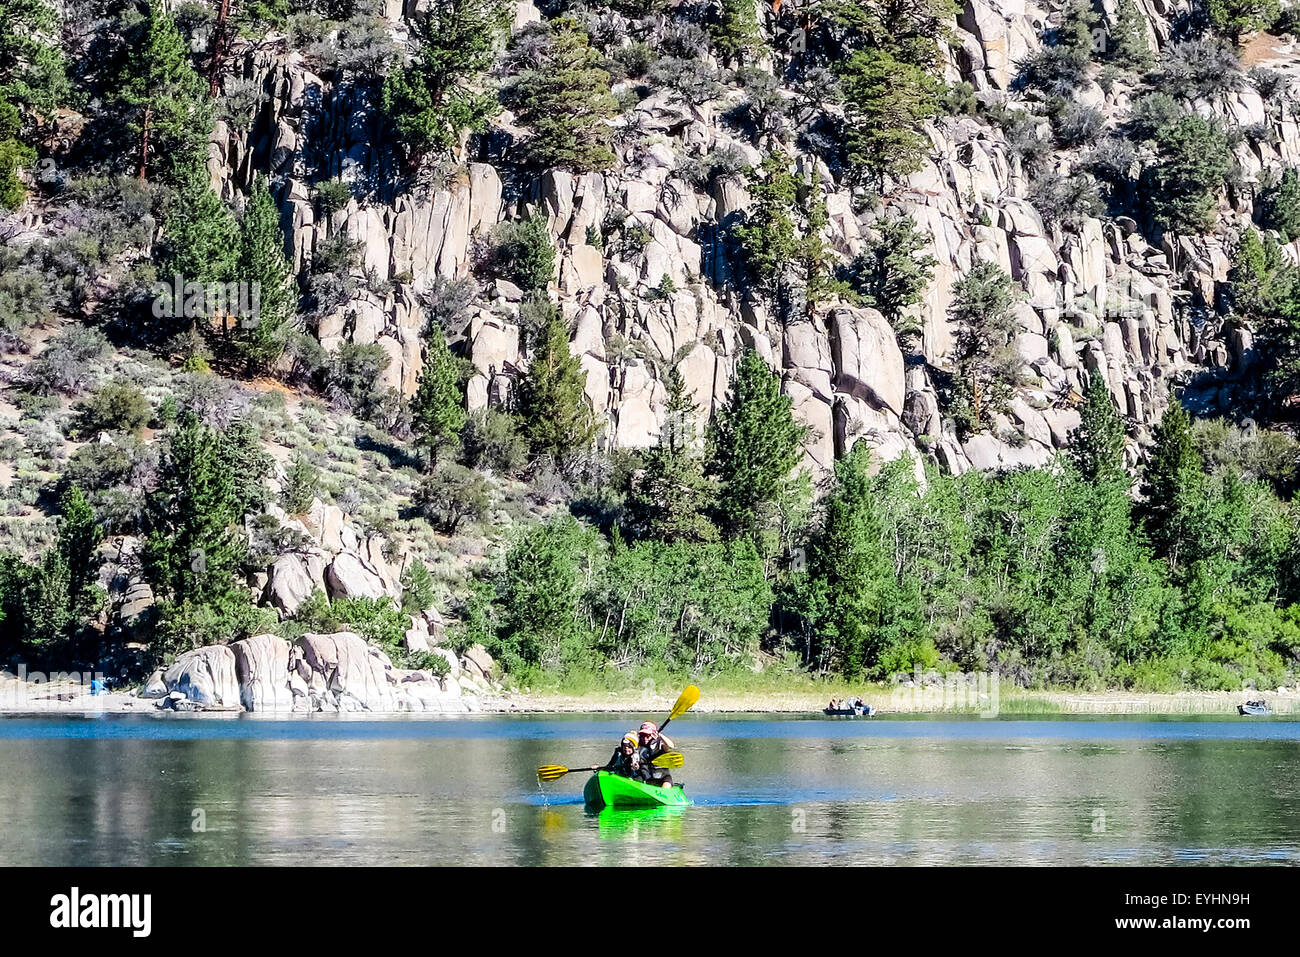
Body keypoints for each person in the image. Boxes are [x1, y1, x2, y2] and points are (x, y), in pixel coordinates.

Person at [637, 721, 675, 788]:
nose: (645, 738)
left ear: (653, 735)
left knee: (666, 787)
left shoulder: (660, 745)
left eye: (648, 735)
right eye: (642, 735)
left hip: (663, 778)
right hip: (647, 779)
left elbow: (671, 746)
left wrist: (660, 735)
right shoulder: (638, 746)